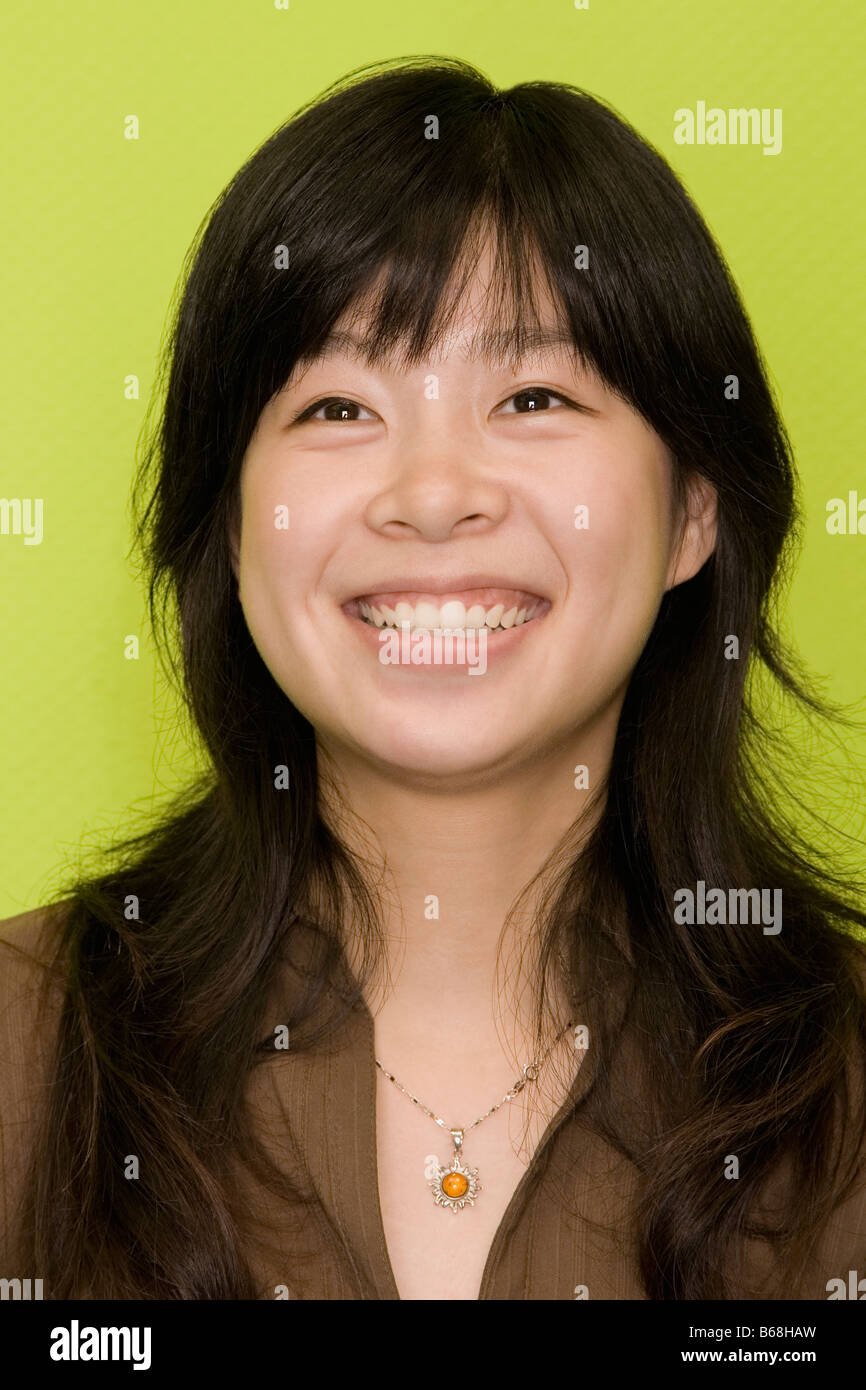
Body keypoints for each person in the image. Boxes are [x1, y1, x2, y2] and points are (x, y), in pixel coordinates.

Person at [2, 55, 865, 1301]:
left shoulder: (835, 1082)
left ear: (690, 513)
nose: (431, 493)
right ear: (234, 527)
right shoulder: (31, 1046)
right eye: (340, 408)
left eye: (531, 393)